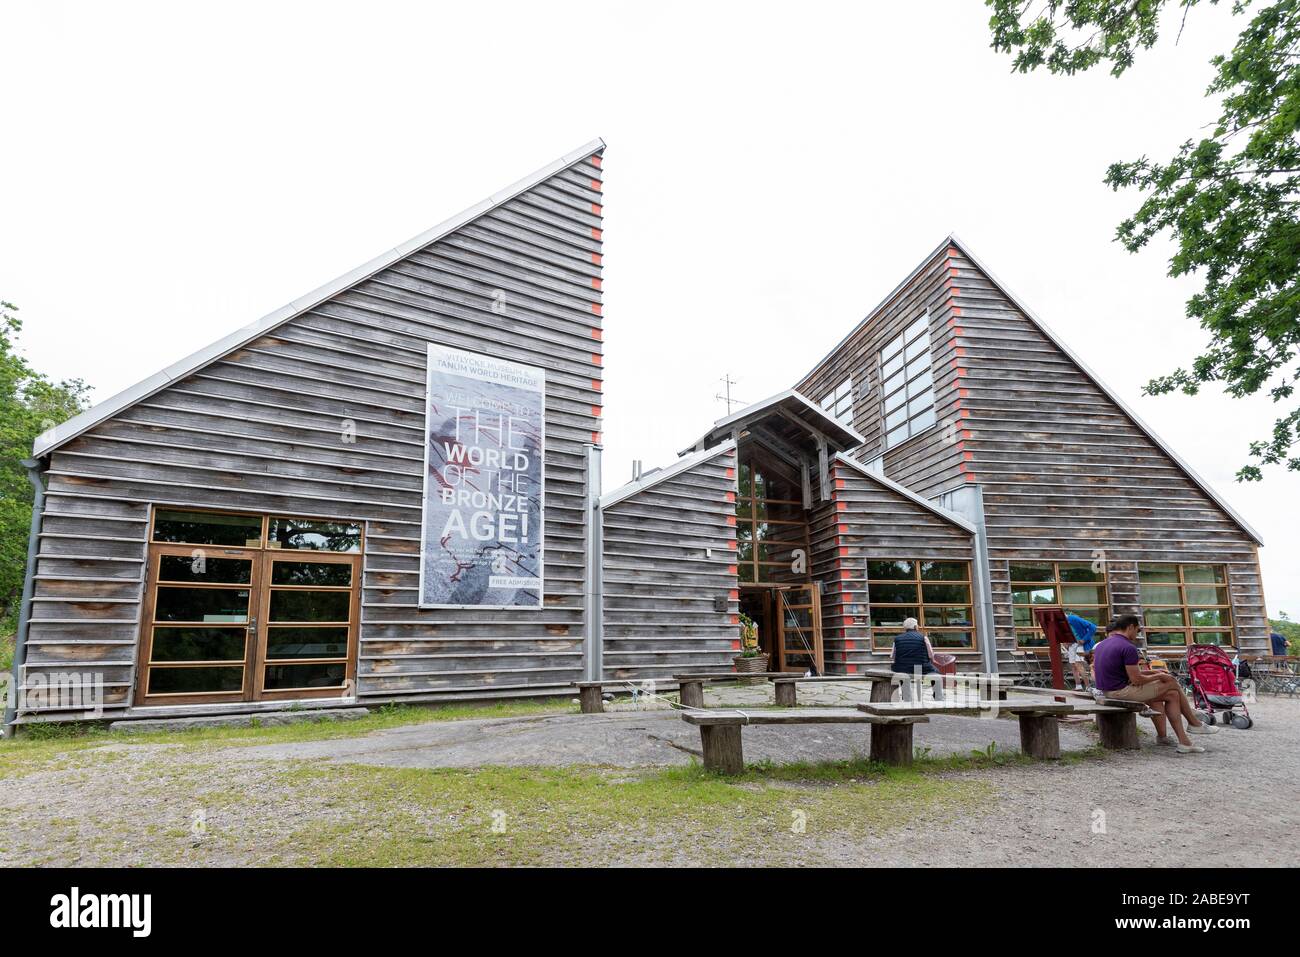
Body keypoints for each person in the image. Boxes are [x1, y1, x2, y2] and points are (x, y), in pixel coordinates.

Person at [1092, 614, 1217, 754]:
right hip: (1120, 693)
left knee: (1172, 694)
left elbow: (1126, 674)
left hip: (1108, 691)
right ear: (1130, 627)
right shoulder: (1128, 647)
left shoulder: (1102, 645)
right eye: (1138, 630)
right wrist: (1160, 675)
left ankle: (1185, 742)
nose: (1138, 634)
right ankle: (1194, 722)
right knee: (1170, 681)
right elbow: (1136, 680)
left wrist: (1154, 674)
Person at [890, 617, 943, 702]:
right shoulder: (923, 638)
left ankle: (907, 698)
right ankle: (938, 697)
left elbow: (892, 656)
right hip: (921, 667)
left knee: (903, 673)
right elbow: (931, 655)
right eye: (917, 625)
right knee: (936, 674)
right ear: (915, 627)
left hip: (902, 667)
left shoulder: (897, 639)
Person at [1064, 612, 1097, 691]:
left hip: (1081, 644)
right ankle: (1078, 686)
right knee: (1073, 665)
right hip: (1072, 644)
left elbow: (1093, 627)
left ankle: (1088, 687)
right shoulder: (1063, 622)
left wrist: (1084, 639)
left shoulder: (1073, 618)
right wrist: (1066, 642)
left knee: (1078, 664)